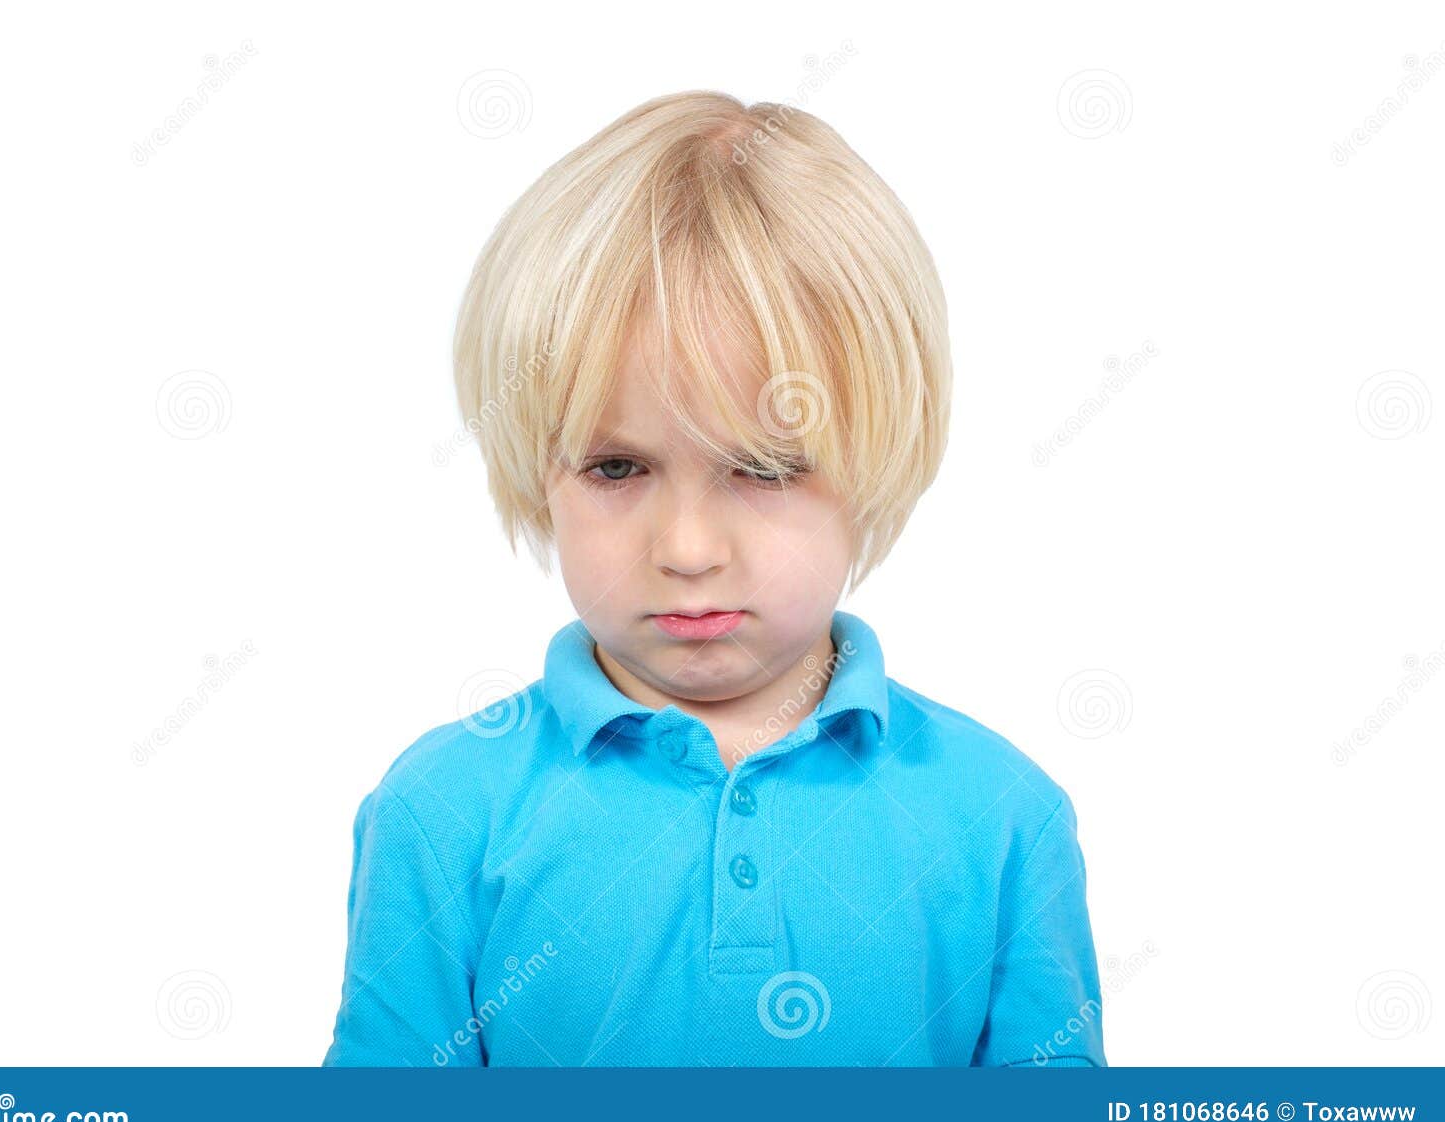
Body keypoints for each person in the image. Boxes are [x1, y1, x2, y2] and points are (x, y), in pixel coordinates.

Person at [323, 90, 1105, 1066]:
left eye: (764, 469)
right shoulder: (442, 810)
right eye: (617, 466)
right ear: (537, 469)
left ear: (878, 456)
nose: (688, 548)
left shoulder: (1002, 816)